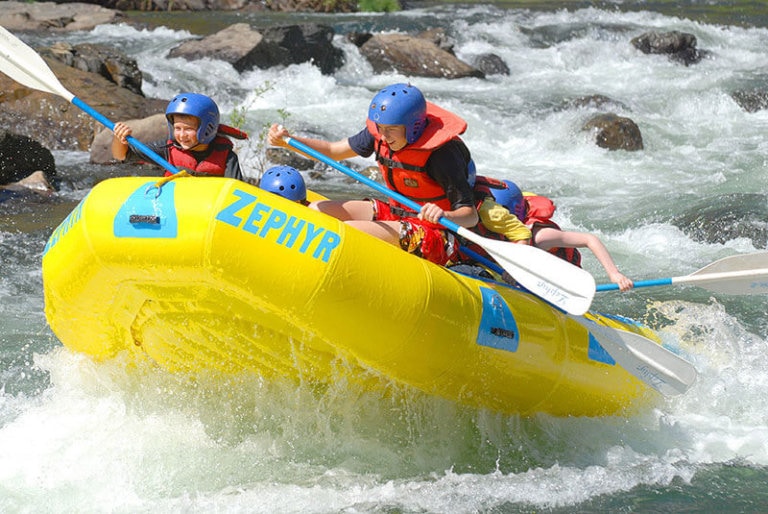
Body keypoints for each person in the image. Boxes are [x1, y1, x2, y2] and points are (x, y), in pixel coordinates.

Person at [267, 83, 478, 266]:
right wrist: (288, 141)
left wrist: (444, 215)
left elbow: (470, 216)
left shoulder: (441, 156)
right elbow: (333, 150)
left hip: (436, 233)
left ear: (413, 126)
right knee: (314, 210)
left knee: (349, 231)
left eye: (391, 129)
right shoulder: (379, 134)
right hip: (399, 213)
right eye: (380, 128)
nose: (383, 136)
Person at [492, 180, 634, 292]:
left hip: (562, 282)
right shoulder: (492, 229)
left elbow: (590, 239)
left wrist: (614, 274)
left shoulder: (540, 236)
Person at [112, 92, 246, 180]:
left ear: (207, 128)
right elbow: (122, 155)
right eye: (177, 128)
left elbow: (238, 191)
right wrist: (120, 139)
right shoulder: (167, 148)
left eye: (188, 129)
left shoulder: (227, 157)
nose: (181, 135)